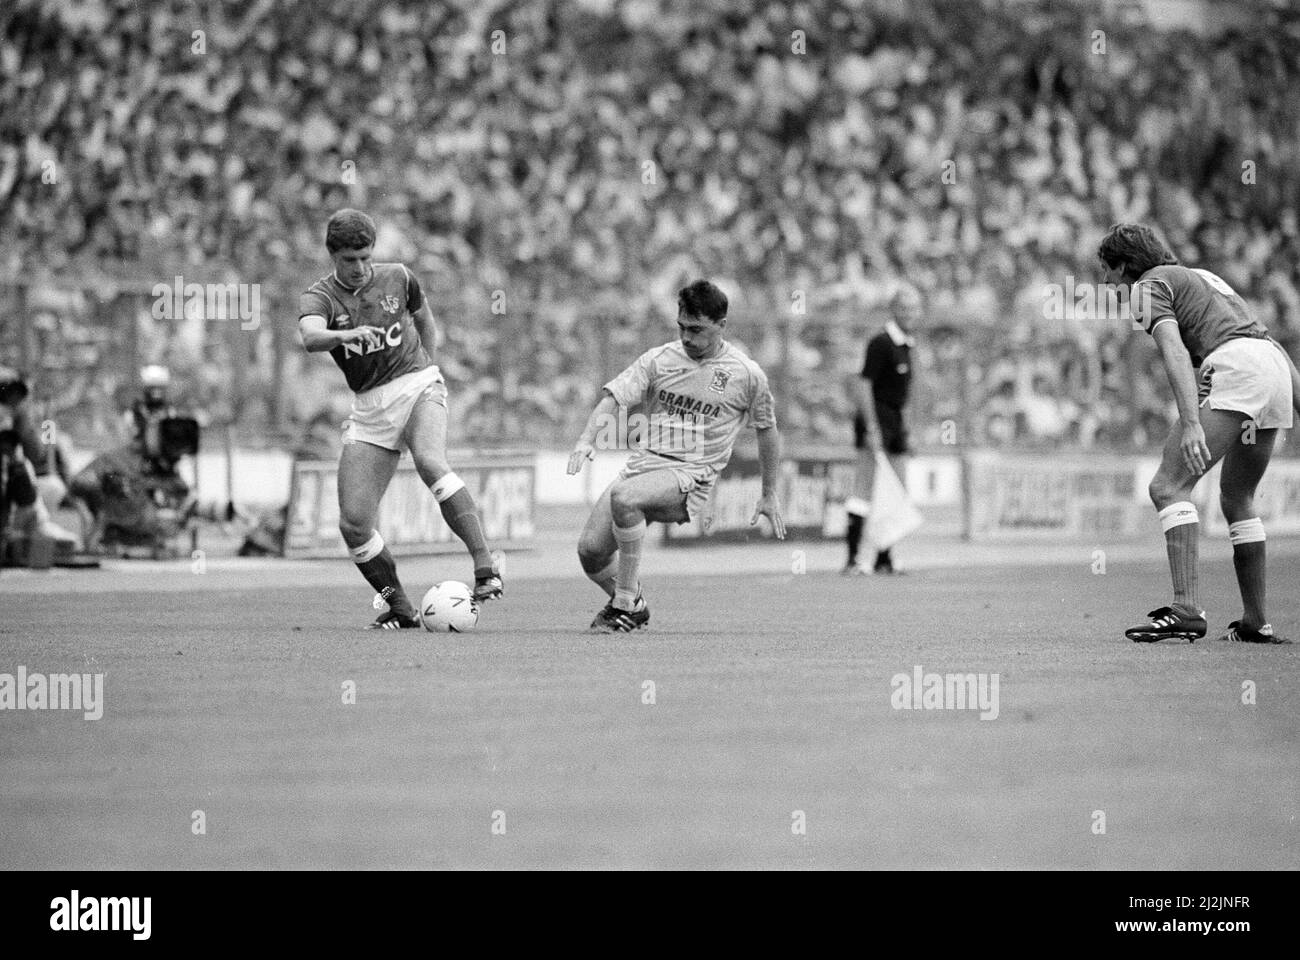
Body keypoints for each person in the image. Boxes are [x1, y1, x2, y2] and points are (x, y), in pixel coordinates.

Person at [297, 209, 501, 630]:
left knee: (429, 460)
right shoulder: (320, 297)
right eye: (350, 259)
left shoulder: (399, 278)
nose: (359, 267)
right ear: (333, 255)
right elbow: (310, 336)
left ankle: (486, 568)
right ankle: (399, 606)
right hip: (369, 410)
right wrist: (344, 335)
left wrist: (431, 369)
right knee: (353, 524)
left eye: (366, 256)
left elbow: (425, 319)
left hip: (417, 385)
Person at [1099, 222, 1300, 644]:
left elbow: (1173, 349)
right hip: (1273, 369)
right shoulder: (1204, 278)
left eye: (1107, 270)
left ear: (1125, 265)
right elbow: (1269, 343)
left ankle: (1187, 609)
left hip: (1237, 368)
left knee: (1169, 487)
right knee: (1237, 497)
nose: (1105, 282)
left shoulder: (1147, 286)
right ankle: (1255, 622)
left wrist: (1191, 422)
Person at [567, 279, 786, 633]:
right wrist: (585, 440)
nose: (687, 337)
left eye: (697, 330)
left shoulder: (746, 374)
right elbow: (614, 397)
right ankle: (635, 601)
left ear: (721, 326)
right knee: (590, 552)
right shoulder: (659, 359)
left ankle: (622, 604)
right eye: (682, 327)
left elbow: (767, 428)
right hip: (643, 467)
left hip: (690, 476)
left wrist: (769, 493)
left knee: (625, 498)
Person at [844, 284, 919, 575]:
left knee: (896, 490)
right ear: (894, 310)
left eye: (914, 308)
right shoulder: (881, 343)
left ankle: (884, 557)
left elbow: (904, 394)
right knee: (863, 487)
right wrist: (872, 427)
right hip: (876, 418)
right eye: (905, 308)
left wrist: (907, 431)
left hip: (895, 422)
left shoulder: (907, 345)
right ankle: (852, 559)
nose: (910, 314)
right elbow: (863, 386)